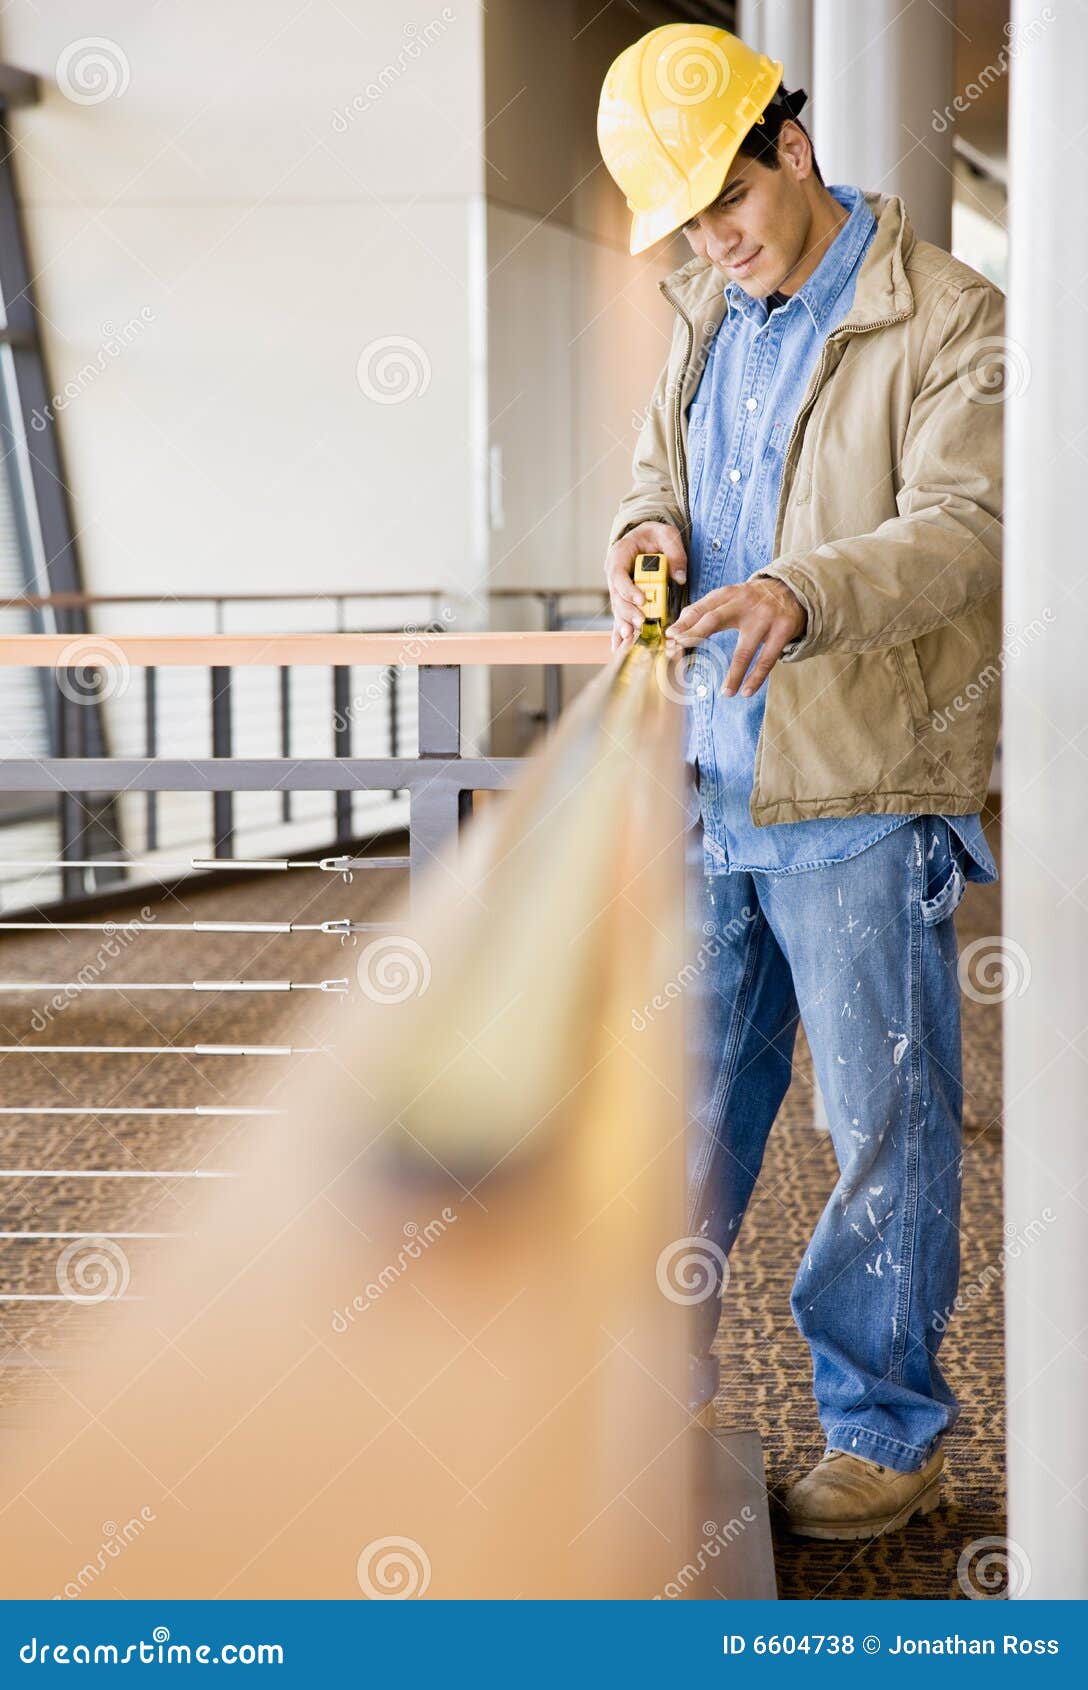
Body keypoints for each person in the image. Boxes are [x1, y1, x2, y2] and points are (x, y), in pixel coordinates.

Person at [598, 22, 1003, 1540]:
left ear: (797, 148)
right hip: (711, 783)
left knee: (881, 1120)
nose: (717, 241)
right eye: (690, 221)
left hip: (857, 792)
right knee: (686, 1108)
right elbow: (658, 476)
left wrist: (802, 590)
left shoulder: (951, 321)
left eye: (730, 204)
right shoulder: (706, 310)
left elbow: (968, 528)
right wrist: (646, 537)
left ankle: (887, 1430)